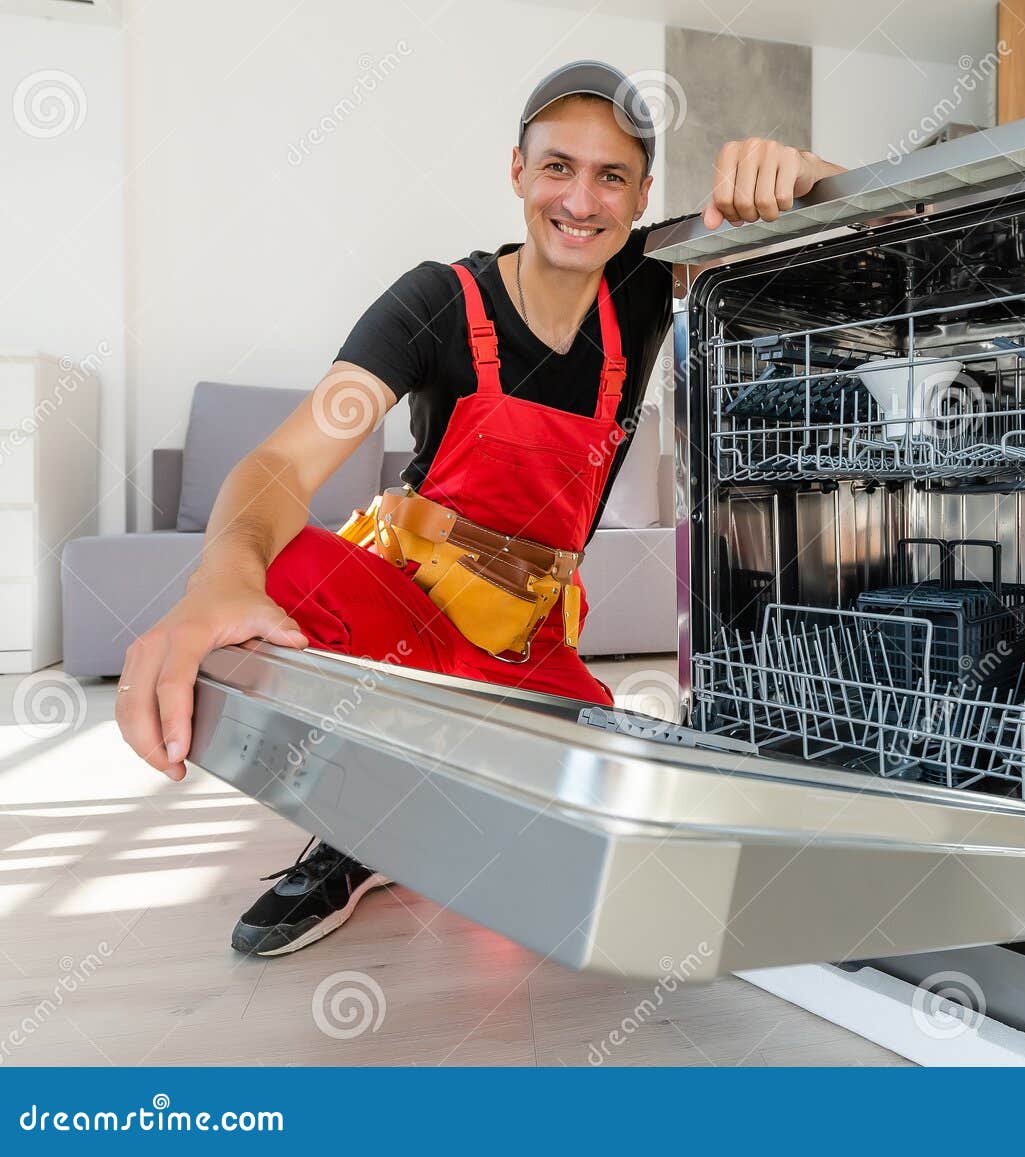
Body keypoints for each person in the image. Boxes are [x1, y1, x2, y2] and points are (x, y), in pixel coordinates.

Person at [114, 59, 843, 956]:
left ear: (642, 192)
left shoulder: (650, 283)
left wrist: (805, 175)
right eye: (557, 167)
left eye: (610, 175)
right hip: (404, 626)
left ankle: (420, 803)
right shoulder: (435, 305)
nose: (581, 199)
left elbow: (850, 226)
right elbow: (278, 464)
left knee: (612, 795)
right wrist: (219, 578)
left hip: (525, 646)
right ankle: (352, 828)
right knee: (291, 563)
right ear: (517, 171)